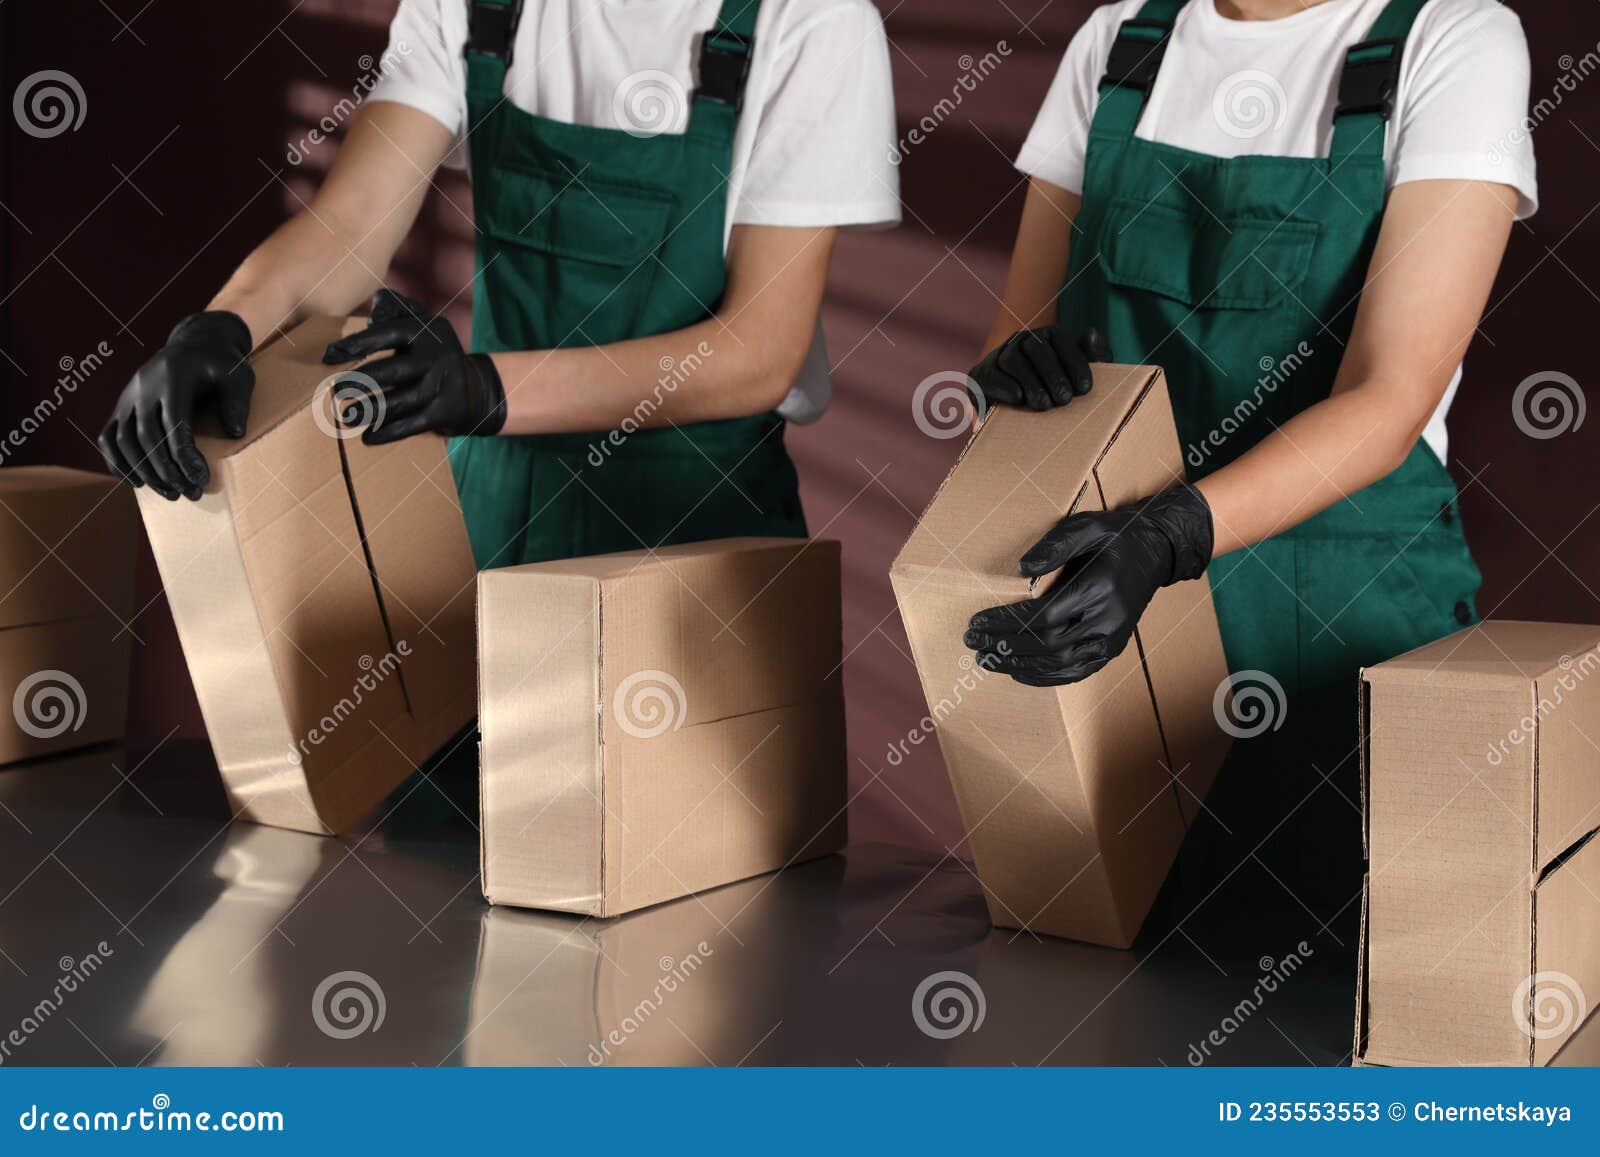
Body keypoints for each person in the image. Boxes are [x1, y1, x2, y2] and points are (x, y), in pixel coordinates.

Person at [959, 0, 1537, 899]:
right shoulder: (1119, 41)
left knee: (1337, 969)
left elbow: (1389, 395)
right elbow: (1015, 337)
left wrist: (1167, 535)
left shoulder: (1452, 37)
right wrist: (1012, 376)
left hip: (1338, 623)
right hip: (1114, 628)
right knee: (1099, 997)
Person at [98, 0, 899, 569]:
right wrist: (221, 326)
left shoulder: (813, 21)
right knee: (446, 803)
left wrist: (481, 389)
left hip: (697, 542)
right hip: (479, 524)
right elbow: (351, 227)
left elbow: (757, 353)